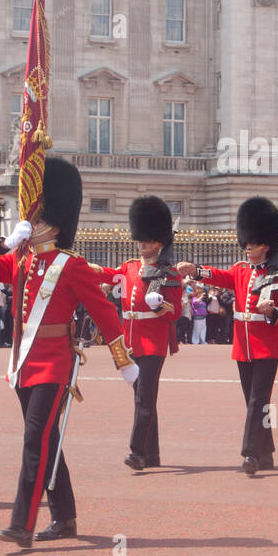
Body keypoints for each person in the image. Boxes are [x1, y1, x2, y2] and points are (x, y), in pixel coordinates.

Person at [0, 154, 137, 546]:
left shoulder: (70, 265)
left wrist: (122, 359)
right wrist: (2, 244)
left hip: (56, 364)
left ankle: (22, 523)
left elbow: (104, 311)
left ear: (53, 224)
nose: (31, 224)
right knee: (46, 442)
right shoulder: (20, 261)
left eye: (37, 219)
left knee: (34, 440)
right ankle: (65, 518)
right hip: (24, 363)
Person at [176, 197, 278, 476]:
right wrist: (196, 271)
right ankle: (267, 451)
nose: (247, 246)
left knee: (258, 400)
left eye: (252, 242)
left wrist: (273, 312)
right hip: (243, 346)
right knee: (257, 401)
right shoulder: (240, 271)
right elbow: (219, 276)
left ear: (265, 245)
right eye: (247, 242)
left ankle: (251, 453)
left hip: (266, 345)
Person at [96, 195, 183, 472]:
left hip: (153, 342)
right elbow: (110, 276)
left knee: (144, 397)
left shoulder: (168, 272)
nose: (142, 243)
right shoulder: (130, 267)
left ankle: (137, 452)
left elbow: (176, 312)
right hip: (129, 341)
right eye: (141, 239)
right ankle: (152, 453)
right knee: (143, 397)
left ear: (159, 241)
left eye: (147, 239)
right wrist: (88, 269)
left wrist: (161, 307)